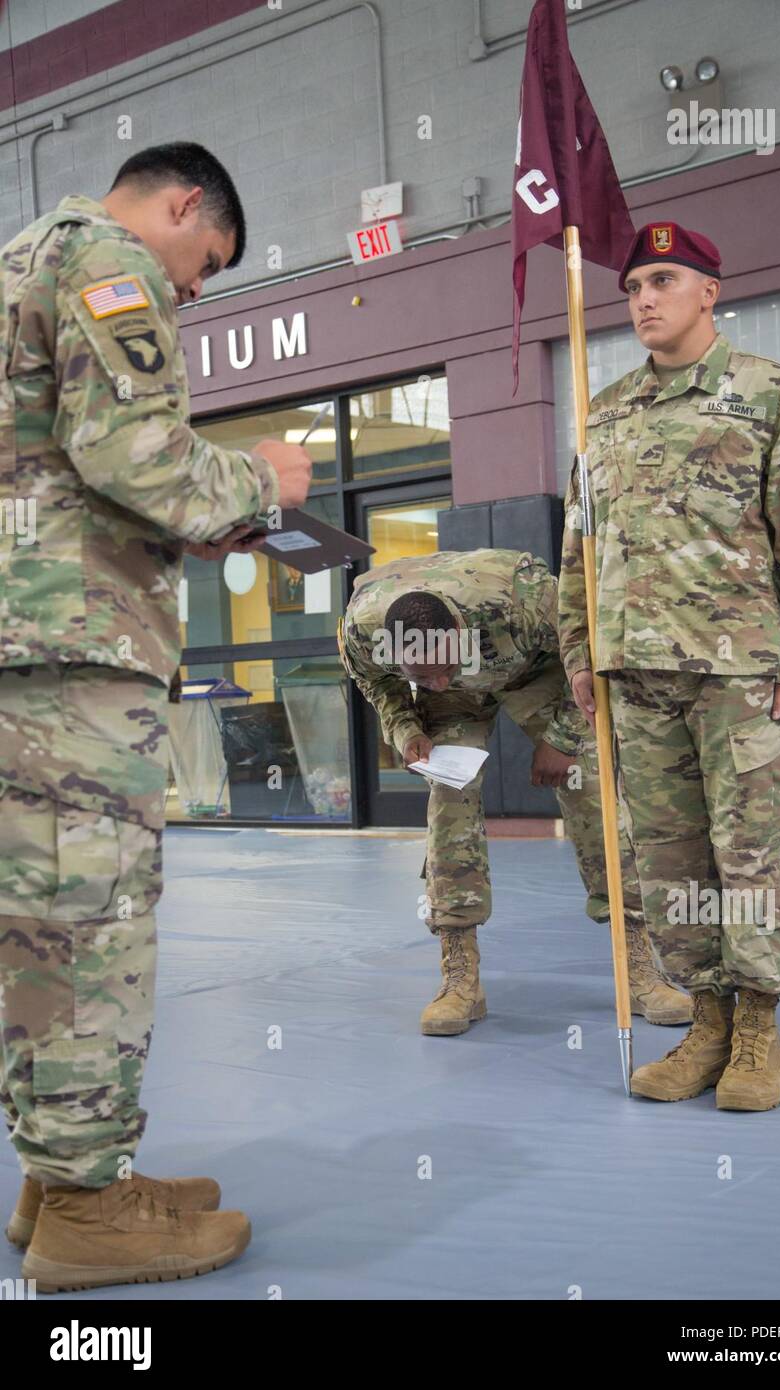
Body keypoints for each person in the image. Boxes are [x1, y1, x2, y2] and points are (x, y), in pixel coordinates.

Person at [0, 143, 312, 1290]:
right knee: (92, 922)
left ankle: (57, 1173)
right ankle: (89, 1207)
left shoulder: (23, 260)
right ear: (182, 204)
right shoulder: (107, 261)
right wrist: (259, 484)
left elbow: (60, 468)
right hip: (70, 651)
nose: (191, 290)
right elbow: (132, 446)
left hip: (30, 644)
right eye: (206, 262)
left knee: (42, 920)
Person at [560, 221, 780, 1111]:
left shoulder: (770, 395)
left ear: (708, 292)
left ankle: (760, 1030)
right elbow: (580, 550)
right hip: (636, 678)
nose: (642, 299)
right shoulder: (603, 411)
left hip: (740, 680)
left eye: (660, 281)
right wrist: (580, 653)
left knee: (748, 857)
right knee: (671, 864)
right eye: (632, 287)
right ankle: (708, 1024)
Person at [340, 547, 691, 1035]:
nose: (436, 683)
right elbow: (378, 685)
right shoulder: (362, 630)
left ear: (460, 633)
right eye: (421, 676)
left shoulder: (525, 599)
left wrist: (564, 741)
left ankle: (639, 964)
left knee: (589, 787)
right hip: (464, 701)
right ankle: (459, 978)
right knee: (449, 801)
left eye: (442, 666)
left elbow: (592, 658)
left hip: (538, 669)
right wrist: (405, 729)